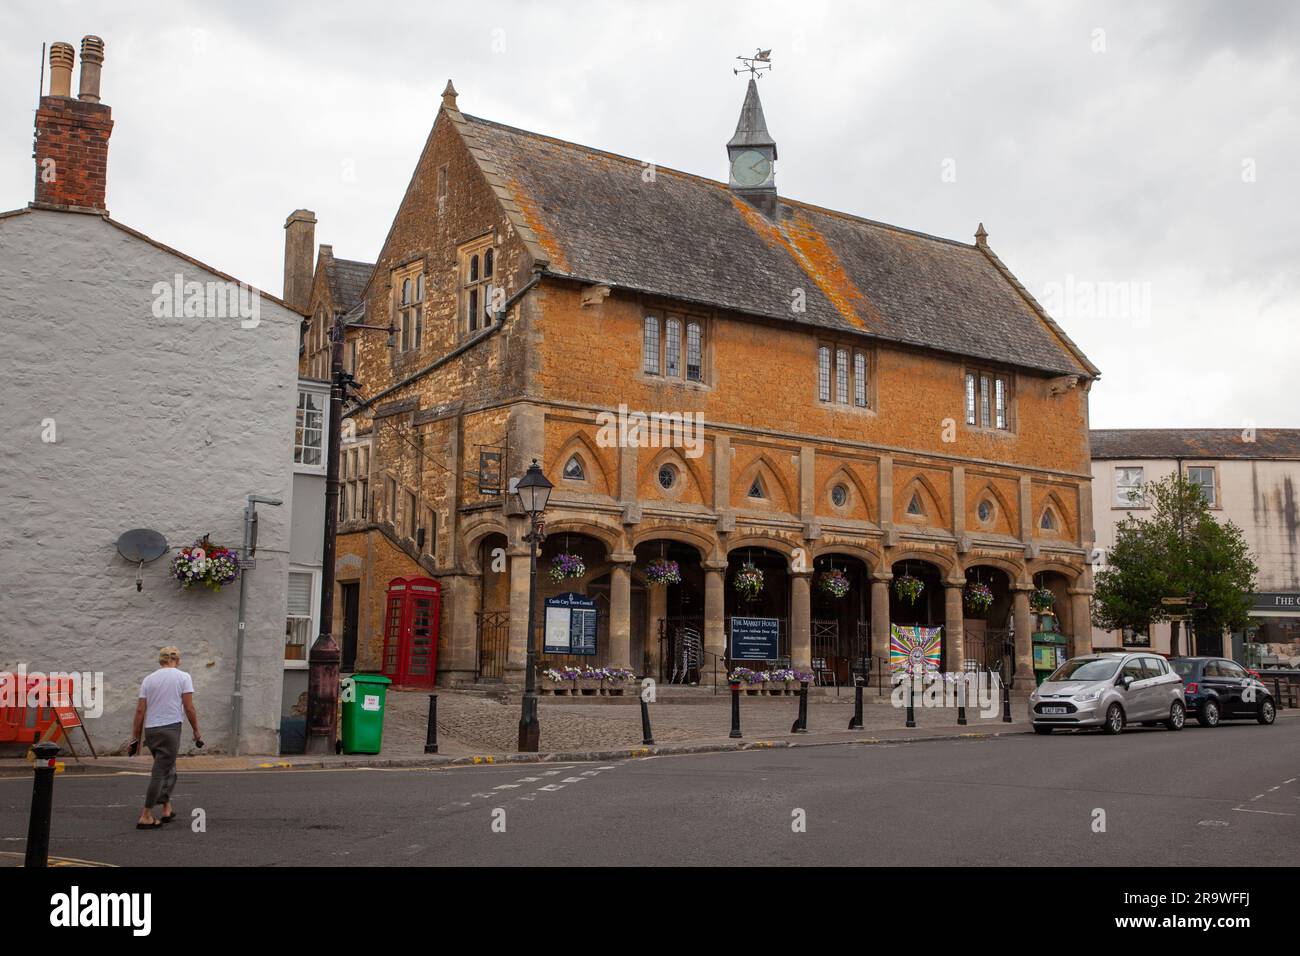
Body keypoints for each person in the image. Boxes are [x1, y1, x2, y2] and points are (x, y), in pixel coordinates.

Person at [130, 646, 202, 830]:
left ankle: (166, 808)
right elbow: (189, 707)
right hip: (170, 729)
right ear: (176, 659)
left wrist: (135, 738)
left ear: (161, 660)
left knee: (168, 768)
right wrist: (196, 730)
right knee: (160, 772)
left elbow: (140, 710)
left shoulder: (148, 679)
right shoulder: (183, 677)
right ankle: (145, 815)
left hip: (152, 731)